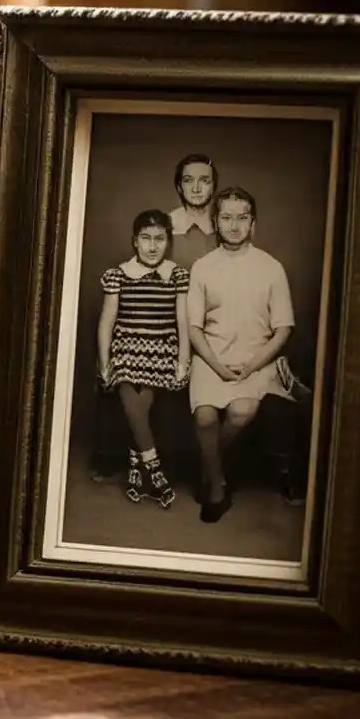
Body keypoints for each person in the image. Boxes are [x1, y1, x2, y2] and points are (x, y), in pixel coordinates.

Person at [186, 187, 295, 522]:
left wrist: (252, 365)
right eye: (227, 217)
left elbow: (284, 329)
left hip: (256, 358)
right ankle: (217, 487)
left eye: (242, 217)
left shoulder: (271, 268)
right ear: (216, 222)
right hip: (210, 356)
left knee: (240, 411)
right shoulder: (203, 267)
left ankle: (208, 463)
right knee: (204, 416)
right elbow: (194, 329)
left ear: (253, 223)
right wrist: (216, 365)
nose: (234, 225)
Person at [96, 209, 191, 509]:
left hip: (161, 348)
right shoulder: (119, 275)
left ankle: (136, 462)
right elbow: (107, 321)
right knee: (127, 390)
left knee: (140, 407)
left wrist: (183, 361)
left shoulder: (176, 275)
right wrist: (104, 362)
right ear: (135, 241)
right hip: (125, 348)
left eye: (160, 239)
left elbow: (182, 321)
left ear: (168, 242)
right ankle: (155, 469)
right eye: (146, 239)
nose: (152, 246)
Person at [168, 154, 219, 269]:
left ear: (213, 187)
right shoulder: (165, 225)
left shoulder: (226, 224)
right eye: (188, 180)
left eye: (204, 180)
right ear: (179, 187)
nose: (196, 189)